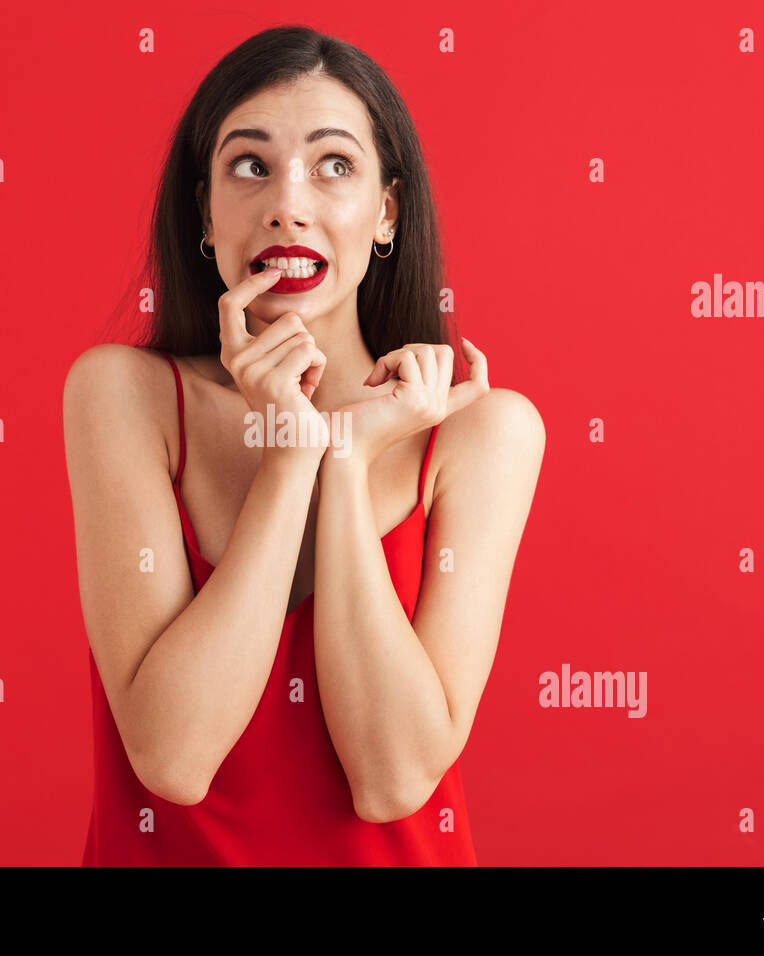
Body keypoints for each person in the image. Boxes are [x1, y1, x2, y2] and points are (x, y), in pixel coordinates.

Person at [64, 26, 545, 865]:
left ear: (386, 210)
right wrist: (293, 451)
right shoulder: (124, 396)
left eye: (334, 165)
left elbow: (393, 779)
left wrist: (349, 458)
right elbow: (174, 759)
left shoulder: (483, 431)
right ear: (206, 218)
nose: (289, 203)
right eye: (250, 165)